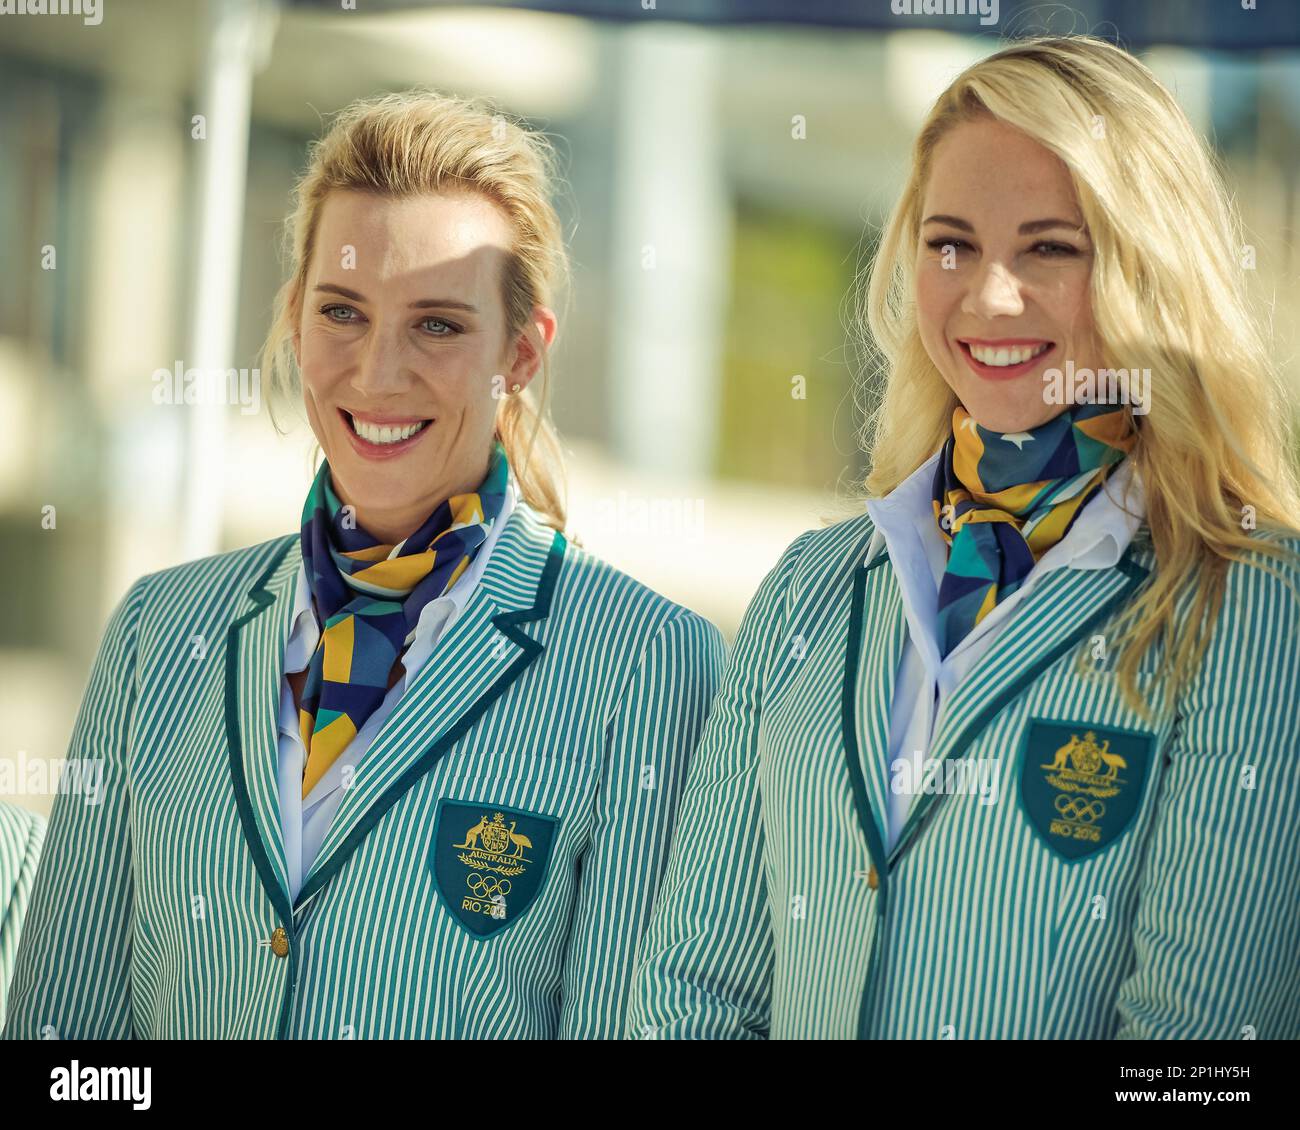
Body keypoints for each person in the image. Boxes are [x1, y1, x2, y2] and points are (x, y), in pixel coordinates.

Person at [3, 90, 724, 1039]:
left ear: (521, 351)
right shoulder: (158, 631)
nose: (378, 374)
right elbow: (66, 1042)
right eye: (343, 311)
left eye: (437, 325)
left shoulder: (644, 664)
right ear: (295, 317)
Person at [629, 35, 1300, 1039]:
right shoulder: (811, 589)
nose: (989, 295)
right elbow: (692, 987)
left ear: (1145, 271)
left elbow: (1195, 1050)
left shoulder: (1245, 605)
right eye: (951, 243)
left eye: (1049, 247)